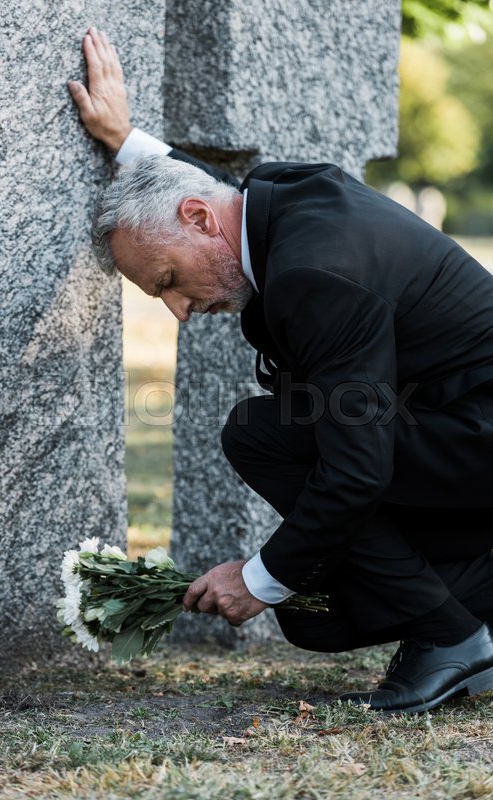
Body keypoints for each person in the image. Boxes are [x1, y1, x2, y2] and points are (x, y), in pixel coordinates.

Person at [68, 28, 493, 713]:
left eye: (169, 279)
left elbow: (358, 468)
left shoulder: (314, 277)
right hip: (457, 434)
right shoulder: (282, 197)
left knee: (260, 434)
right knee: (314, 611)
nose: (178, 310)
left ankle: (452, 638)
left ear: (198, 219)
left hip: (478, 434)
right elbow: (213, 187)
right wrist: (128, 141)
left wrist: (259, 578)